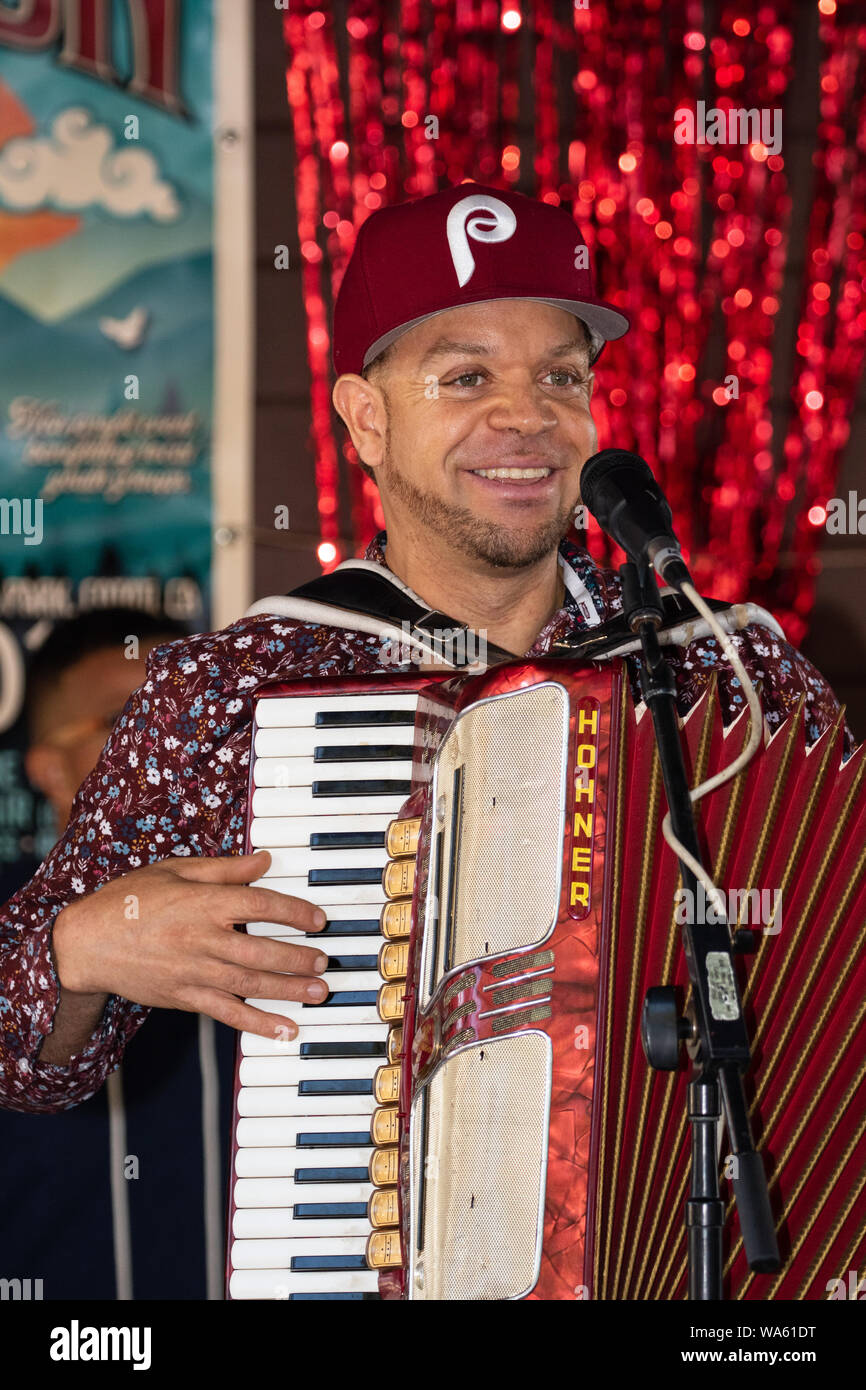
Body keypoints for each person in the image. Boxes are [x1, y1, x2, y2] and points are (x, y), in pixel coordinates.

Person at [0, 184, 849, 1134]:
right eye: (466, 378)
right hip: (370, 1240)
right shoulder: (239, 687)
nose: (527, 418)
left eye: (562, 378)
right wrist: (87, 945)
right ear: (367, 421)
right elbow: (27, 1059)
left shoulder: (723, 667)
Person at [0, 611, 234, 1298]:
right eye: (129, 726)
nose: (177, 754)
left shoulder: (289, 900)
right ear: (48, 766)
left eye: (200, 722)